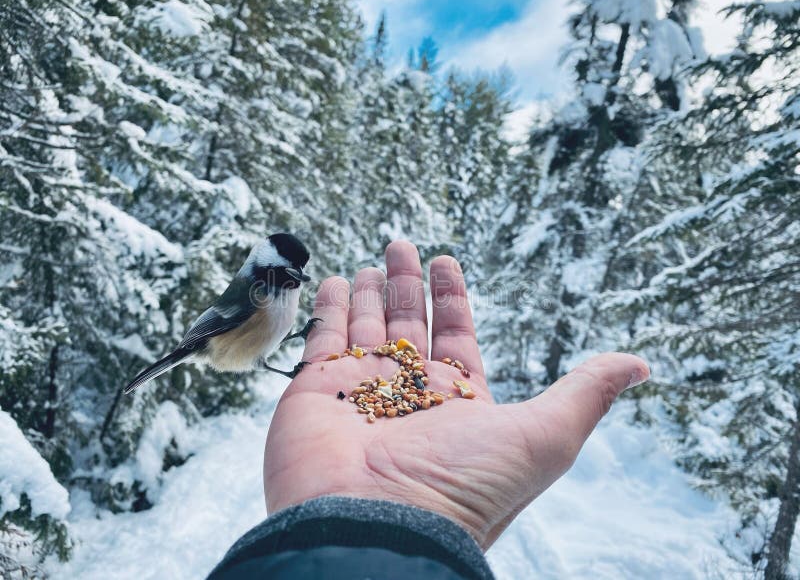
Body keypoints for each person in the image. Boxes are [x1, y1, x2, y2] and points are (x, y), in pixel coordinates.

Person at [208, 240, 649, 579]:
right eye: (288, 274)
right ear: (268, 268)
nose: (296, 280)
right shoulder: (255, 289)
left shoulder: (277, 288)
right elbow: (227, 335)